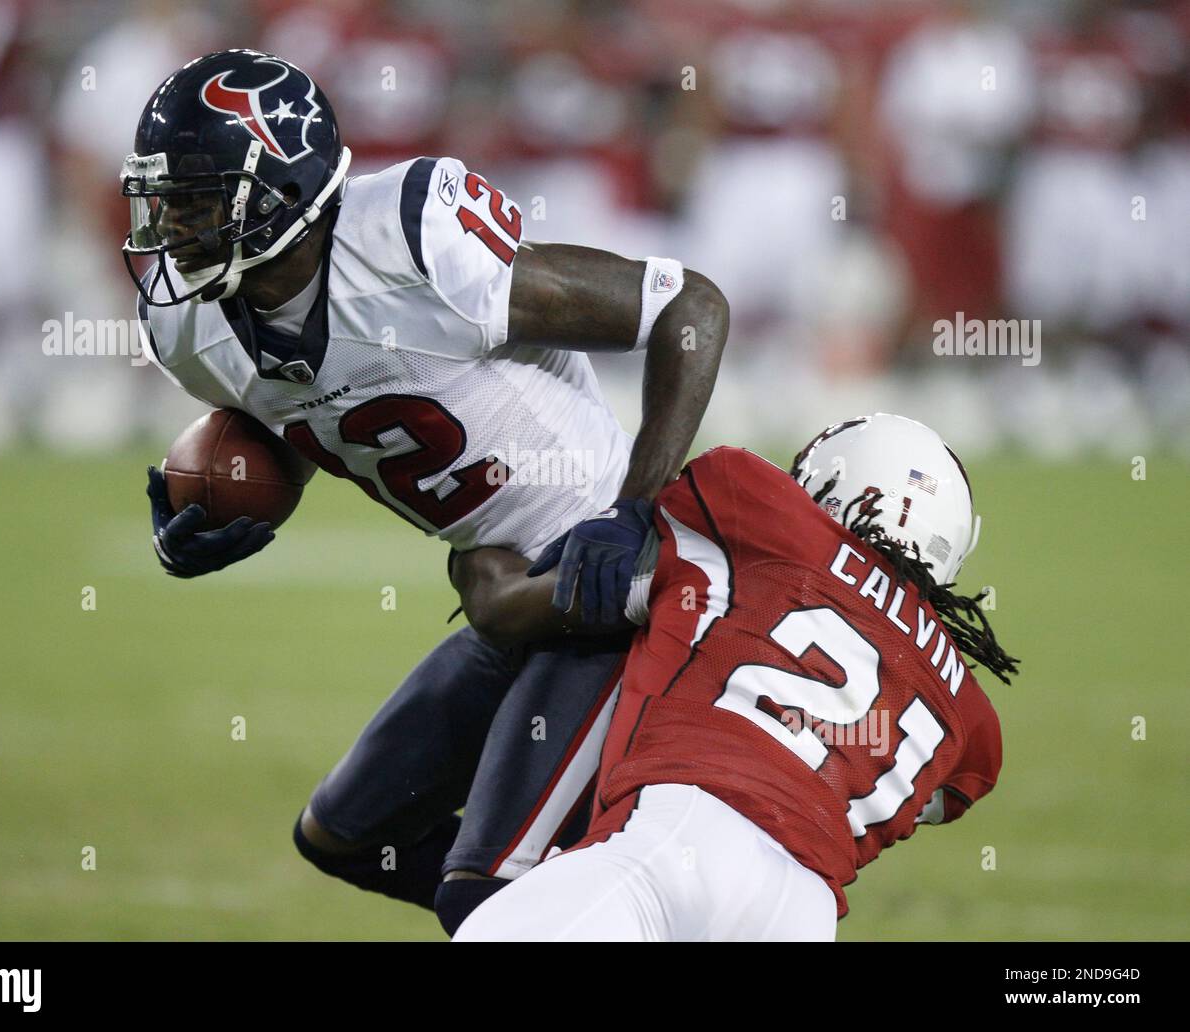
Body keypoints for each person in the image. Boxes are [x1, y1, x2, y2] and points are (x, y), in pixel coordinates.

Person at [121, 49, 728, 934]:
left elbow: (690, 310)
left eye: (198, 199)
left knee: (474, 894)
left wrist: (636, 510)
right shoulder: (190, 326)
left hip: (612, 583)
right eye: (164, 199)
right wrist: (208, 503)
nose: (171, 227)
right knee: (347, 836)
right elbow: (297, 420)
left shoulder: (409, 243)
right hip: (509, 595)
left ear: (282, 193)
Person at [450, 414, 1018, 940]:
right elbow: (935, 795)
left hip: (679, 831)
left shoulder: (756, 506)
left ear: (832, 483)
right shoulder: (972, 721)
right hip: (802, 913)